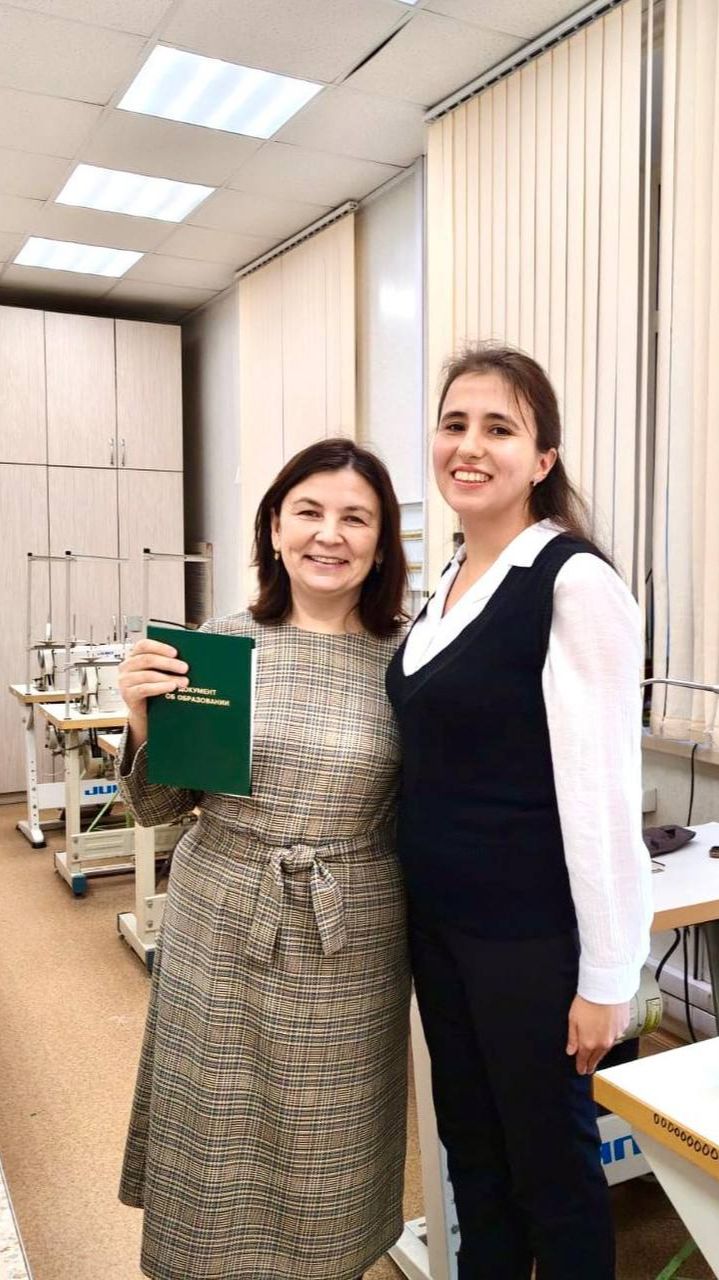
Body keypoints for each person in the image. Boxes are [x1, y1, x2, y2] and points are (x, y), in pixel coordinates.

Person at [385, 344, 653, 1280]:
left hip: (526, 940)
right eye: (453, 424)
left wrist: (607, 976)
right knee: (472, 1153)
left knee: (550, 1170)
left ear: (541, 459)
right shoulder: (450, 582)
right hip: (442, 930)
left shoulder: (570, 582)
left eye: (498, 428)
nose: (469, 445)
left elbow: (603, 790)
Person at [116, 438, 411, 1280]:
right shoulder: (217, 649)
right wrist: (140, 719)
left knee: (331, 1147)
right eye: (308, 512)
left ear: (381, 542)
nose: (329, 534)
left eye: (355, 517)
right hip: (220, 918)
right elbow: (159, 808)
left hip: (351, 930)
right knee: (213, 1135)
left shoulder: (410, 659)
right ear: (275, 529)